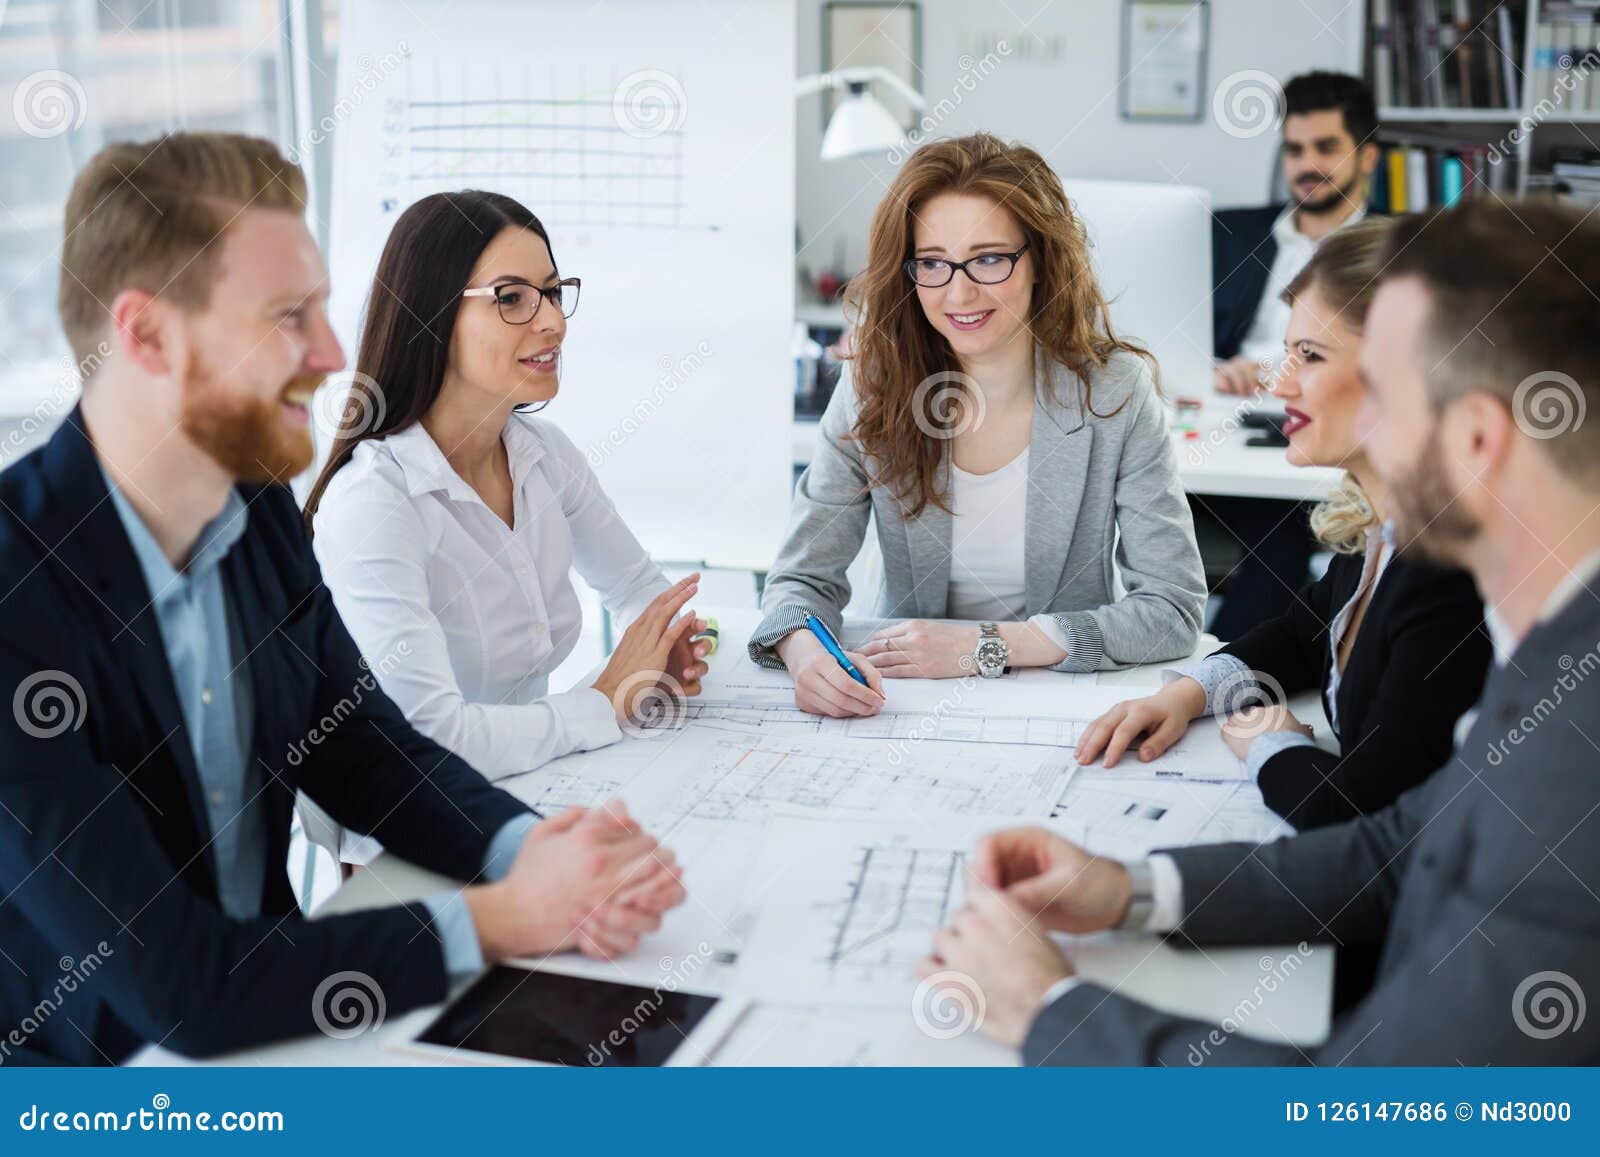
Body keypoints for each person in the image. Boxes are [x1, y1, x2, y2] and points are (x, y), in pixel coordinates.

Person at [0, 133, 685, 1065]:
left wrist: (535, 851)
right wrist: (499, 917)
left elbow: (363, 744)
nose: (330, 353)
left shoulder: (255, 506)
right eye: (289, 315)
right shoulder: (16, 590)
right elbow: (182, 985)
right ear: (146, 333)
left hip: (281, 1020)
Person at [921, 198, 1600, 1065]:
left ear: (1475, 440)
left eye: (1383, 390)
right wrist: (1131, 889)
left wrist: (1054, 1009)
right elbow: (1402, 847)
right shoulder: (1551, 644)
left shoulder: (1572, 773)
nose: (1295, 391)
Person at [302, 190, 710, 864]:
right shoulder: (374, 501)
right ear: (432, 314)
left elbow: (639, 586)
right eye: (513, 298)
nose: (551, 321)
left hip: (535, 798)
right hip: (413, 848)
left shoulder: (543, 454)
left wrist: (666, 647)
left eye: (553, 292)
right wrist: (605, 699)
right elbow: (428, 739)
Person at [749, 133, 1205, 718]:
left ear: (1040, 259)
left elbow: (1173, 610)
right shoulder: (873, 385)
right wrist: (807, 656)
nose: (959, 292)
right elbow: (797, 583)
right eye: (934, 263)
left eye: (989, 258)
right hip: (902, 697)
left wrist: (984, 648)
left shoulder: (1114, 392)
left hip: (1059, 702)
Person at [1077, 219, 1491, 830]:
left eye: (1311, 355)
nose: (1280, 381)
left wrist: (1271, 742)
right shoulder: (1383, 529)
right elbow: (1303, 636)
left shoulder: (1448, 575)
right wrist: (1186, 694)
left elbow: (1356, 816)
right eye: (1288, 351)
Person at [1204, 71, 1382, 642]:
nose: (1309, 163)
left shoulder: (1392, 249)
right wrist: (1211, 370)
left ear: (1368, 156)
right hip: (1220, 433)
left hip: (1321, 446)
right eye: (1295, 148)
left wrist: (1275, 371)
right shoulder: (1228, 232)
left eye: (1327, 147)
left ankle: (1223, 670)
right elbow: (1176, 342)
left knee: (1281, 532)